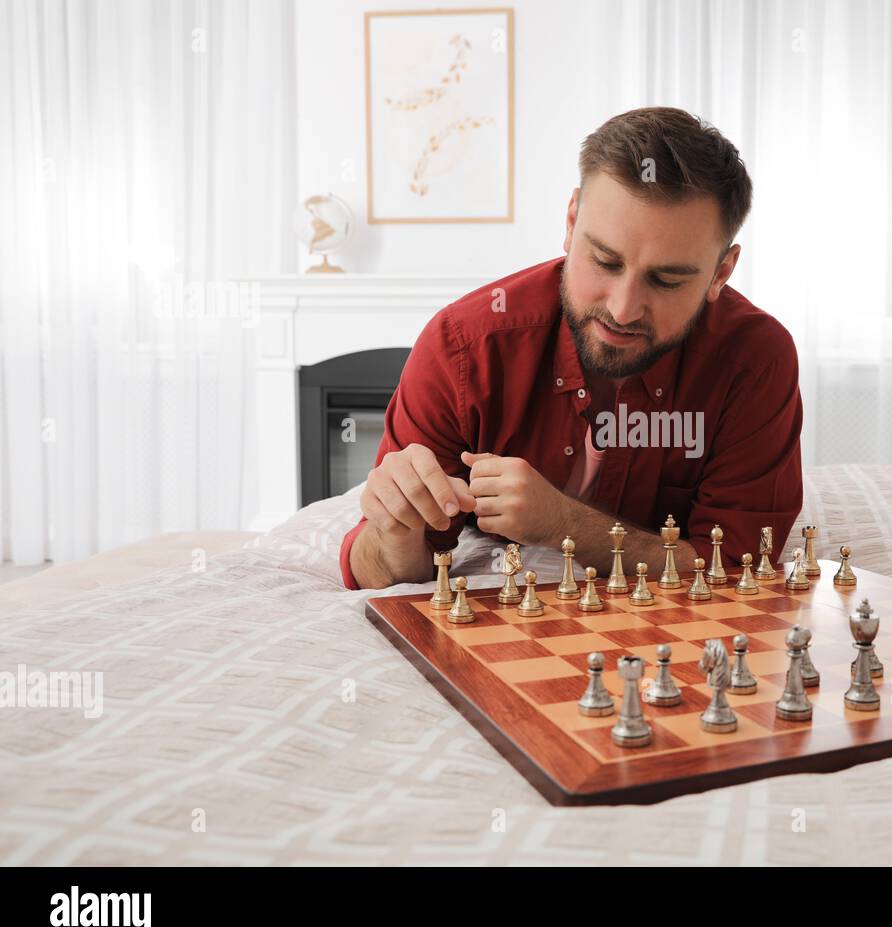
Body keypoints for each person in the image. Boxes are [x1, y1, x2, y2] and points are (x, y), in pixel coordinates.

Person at [341, 106, 803, 590]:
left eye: (666, 280)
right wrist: (396, 535)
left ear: (721, 273)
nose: (623, 309)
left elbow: (741, 571)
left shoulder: (755, 360)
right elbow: (384, 573)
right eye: (604, 261)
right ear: (570, 221)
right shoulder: (463, 346)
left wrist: (564, 523)